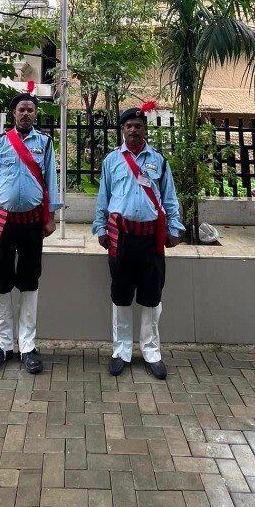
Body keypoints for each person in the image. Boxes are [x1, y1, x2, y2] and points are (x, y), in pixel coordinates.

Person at [93, 101, 184, 379]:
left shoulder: (158, 161)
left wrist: (175, 227)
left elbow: (169, 198)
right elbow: (103, 198)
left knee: (151, 296)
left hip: (150, 240)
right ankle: (120, 351)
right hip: (120, 238)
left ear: (145, 130)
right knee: (121, 295)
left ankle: (151, 351)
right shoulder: (111, 161)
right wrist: (100, 228)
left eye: (138, 126)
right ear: (122, 130)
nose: (134, 130)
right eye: (129, 126)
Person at [0, 81, 60, 375]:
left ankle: (27, 345)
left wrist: (51, 216)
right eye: (21, 109)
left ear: (36, 114)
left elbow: (51, 179)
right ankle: (1, 344)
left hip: (32, 223)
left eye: (30, 109)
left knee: (29, 279)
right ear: (13, 113)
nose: (26, 113)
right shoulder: (0, 143)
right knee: (1, 279)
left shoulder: (46, 144)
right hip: (2, 222)